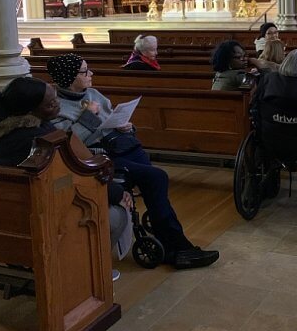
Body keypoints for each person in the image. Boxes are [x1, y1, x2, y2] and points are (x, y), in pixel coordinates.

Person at [46, 53, 220, 269]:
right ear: (70, 77)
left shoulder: (92, 93)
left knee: (153, 182)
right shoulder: (55, 105)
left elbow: (109, 120)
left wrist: (125, 125)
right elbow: (69, 144)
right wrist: (89, 116)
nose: (91, 73)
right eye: (85, 71)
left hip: (121, 146)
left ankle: (169, 236)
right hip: (97, 158)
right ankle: (177, 248)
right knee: (157, 178)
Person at [0, 76, 133, 254]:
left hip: (16, 204)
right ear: (31, 111)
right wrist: (116, 193)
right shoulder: (37, 139)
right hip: (32, 214)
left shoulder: (13, 127)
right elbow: (73, 175)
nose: (57, 104)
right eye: (50, 104)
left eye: (55, 98)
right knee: (116, 216)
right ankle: (86, 271)